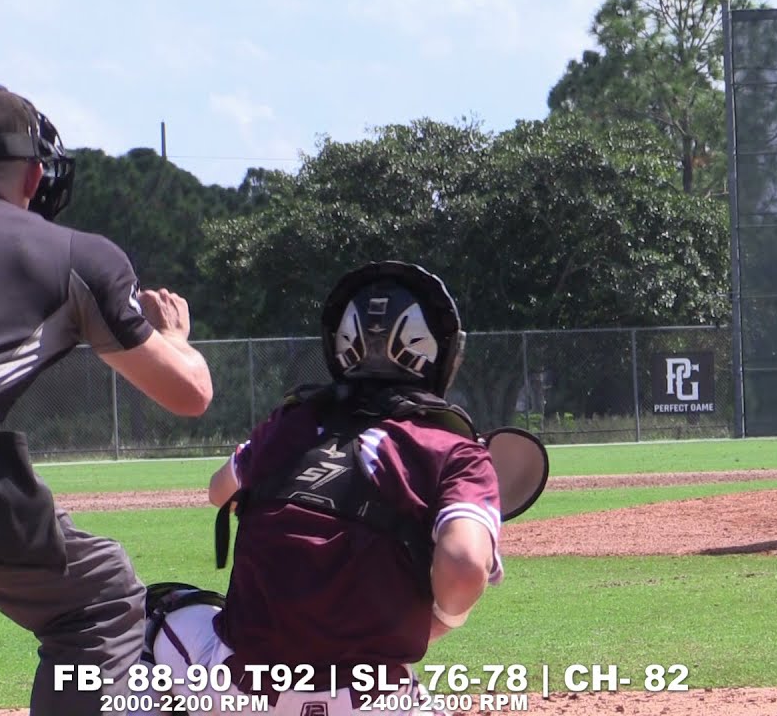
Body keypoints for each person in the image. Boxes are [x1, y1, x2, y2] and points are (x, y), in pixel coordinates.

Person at [135, 261, 503, 716]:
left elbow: (217, 491)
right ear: (439, 354)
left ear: (339, 347)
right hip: (374, 703)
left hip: (242, 697)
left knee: (152, 615)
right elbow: (466, 564)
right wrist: (442, 618)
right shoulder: (455, 448)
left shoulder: (291, 422)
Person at [0, 85, 214, 715]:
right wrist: (175, 338)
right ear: (36, 175)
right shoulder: (75, 258)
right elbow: (190, 393)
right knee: (101, 598)